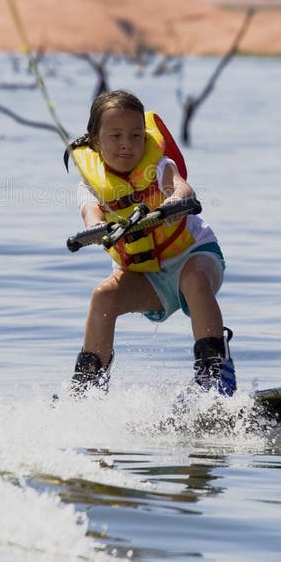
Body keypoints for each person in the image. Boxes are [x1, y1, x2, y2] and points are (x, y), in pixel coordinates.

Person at [64, 89, 236, 396]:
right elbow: (91, 216)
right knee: (103, 297)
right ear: (95, 141)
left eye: (135, 135)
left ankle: (214, 380)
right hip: (146, 275)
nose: (127, 144)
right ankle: (86, 391)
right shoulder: (89, 187)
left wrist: (173, 204)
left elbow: (182, 189)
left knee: (195, 279)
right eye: (115, 136)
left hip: (194, 254)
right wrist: (96, 229)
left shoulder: (159, 166)